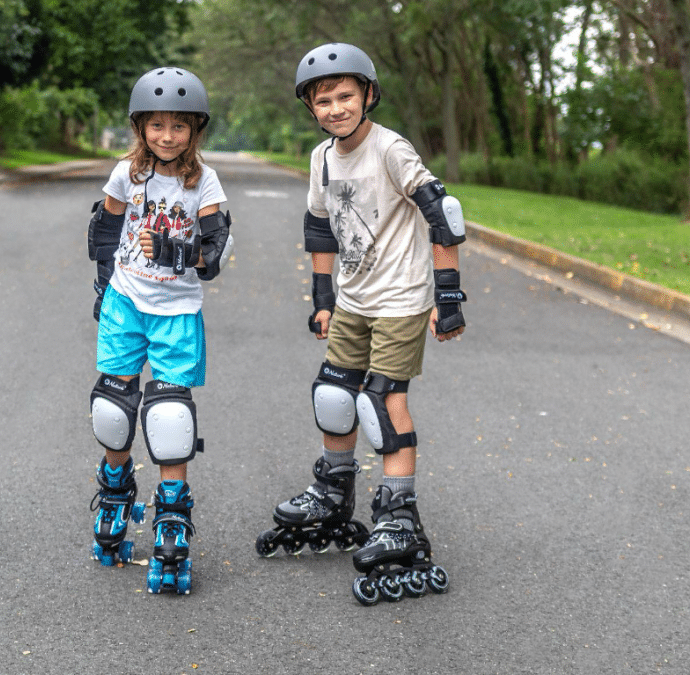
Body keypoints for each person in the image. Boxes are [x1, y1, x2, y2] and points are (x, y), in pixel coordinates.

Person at [254, 43, 467, 606]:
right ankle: (332, 492)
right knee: (333, 396)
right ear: (311, 108)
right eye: (322, 100)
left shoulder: (390, 148)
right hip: (352, 300)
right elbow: (320, 225)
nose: (334, 108)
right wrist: (322, 296)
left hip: (400, 299)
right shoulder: (322, 158)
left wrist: (448, 298)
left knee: (381, 403)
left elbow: (442, 212)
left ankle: (398, 516)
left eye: (345, 96)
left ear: (368, 95)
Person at [85, 66, 233, 595]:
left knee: (170, 415)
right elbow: (104, 228)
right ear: (140, 127)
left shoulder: (204, 180)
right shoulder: (127, 171)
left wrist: (179, 252)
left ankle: (171, 512)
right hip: (126, 302)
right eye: (156, 125)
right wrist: (105, 284)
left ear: (195, 130)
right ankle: (116, 489)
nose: (166, 136)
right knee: (112, 407)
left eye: (178, 126)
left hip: (177, 312)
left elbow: (215, 254)